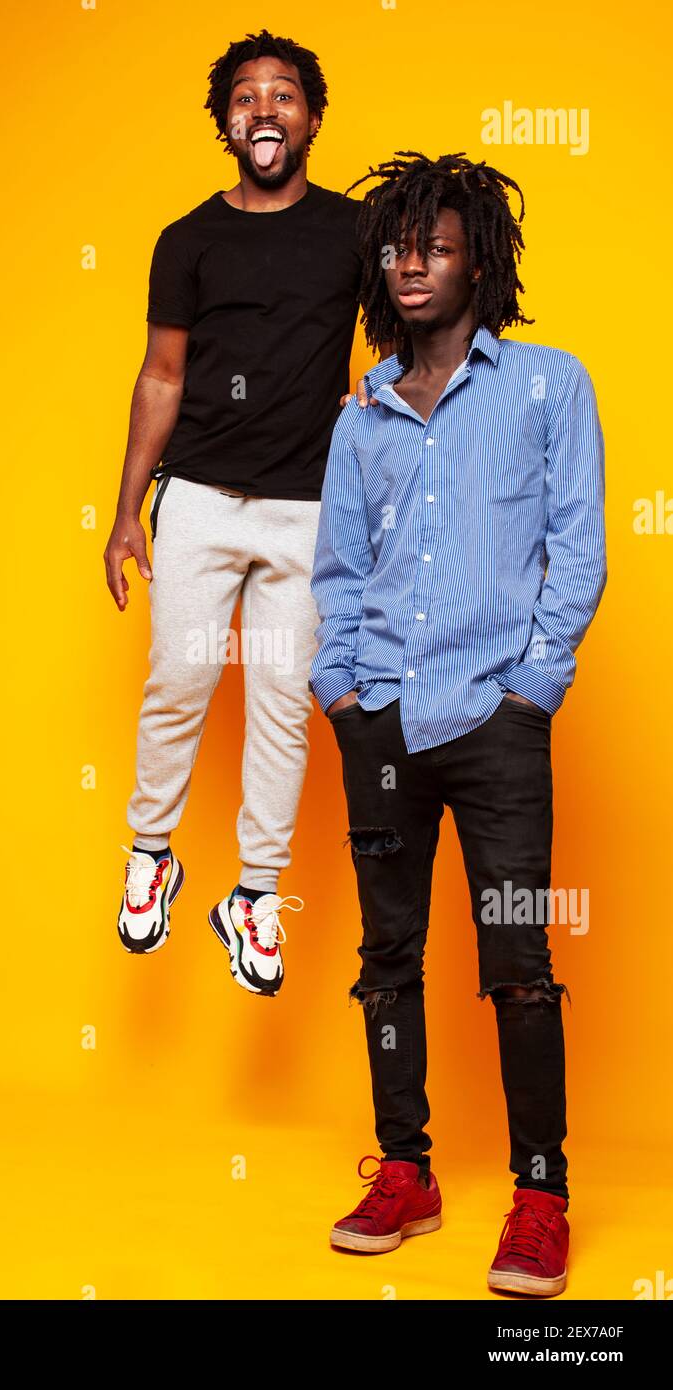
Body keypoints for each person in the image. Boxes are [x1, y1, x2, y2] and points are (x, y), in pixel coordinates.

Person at [310, 152, 606, 1294]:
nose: (411, 263)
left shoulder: (547, 384)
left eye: (433, 244)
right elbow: (338, 569)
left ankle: (540, 1194)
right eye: (396, 247)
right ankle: (405, 1171)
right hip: (378, 718)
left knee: (517, 958)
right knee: (387, 961)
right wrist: (338, 691)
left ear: (476, 255)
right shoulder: (363, 417)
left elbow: (574, 546)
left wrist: (532, 687)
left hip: (496, 723)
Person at [105, 31, 361, 995]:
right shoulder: (190, 239)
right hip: (203, 498)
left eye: (284, 95)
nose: (265, 109)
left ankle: (254, 896)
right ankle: (152, 851)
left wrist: (374, 405)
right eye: (247, 97)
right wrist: (127, 513)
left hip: (308, 512)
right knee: (179, 677)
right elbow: (160, 376)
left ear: (310, 118)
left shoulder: (353, 232)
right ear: (225, 123)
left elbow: (414, 324)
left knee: (282, 706)